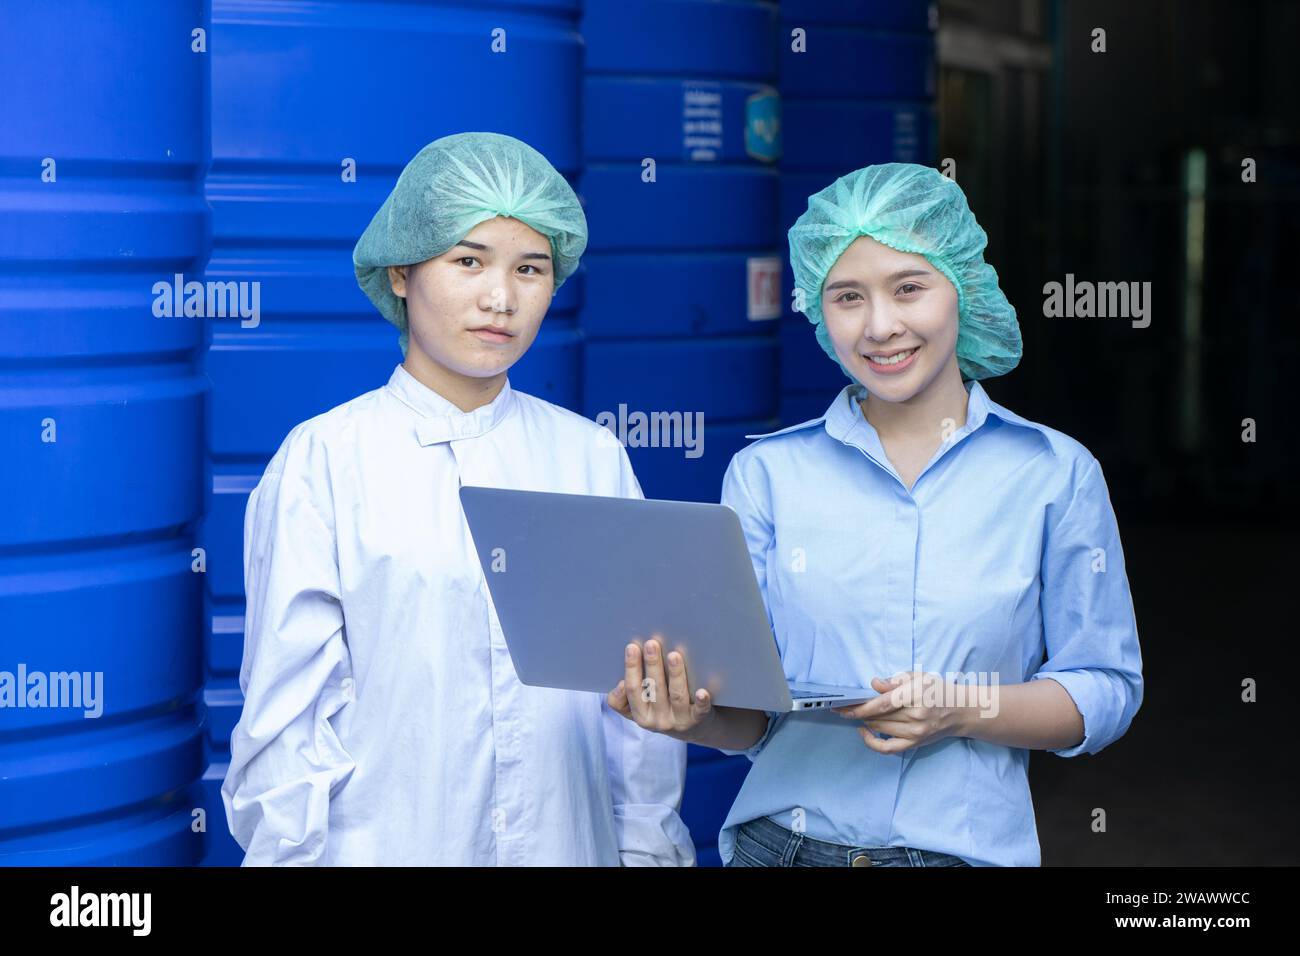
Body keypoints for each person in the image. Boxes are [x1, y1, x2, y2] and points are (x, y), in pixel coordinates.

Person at [607, 162, 1144, 867]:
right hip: (781, 851)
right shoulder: (767, 475)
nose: (880, 326)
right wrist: (691, 716)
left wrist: (964, 709)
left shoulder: (1053, 473)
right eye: (848, 296)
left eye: (909, 288)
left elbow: (1105, 690)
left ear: (964, 287)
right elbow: (757, 720)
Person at [222, 132, 694, 866]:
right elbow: (286, 721)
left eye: (530, 269)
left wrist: (645, 852)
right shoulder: (325, 461)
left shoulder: (589, 457)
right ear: (403, 272)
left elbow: (633, 706)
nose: (500, 298)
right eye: (467, 260)